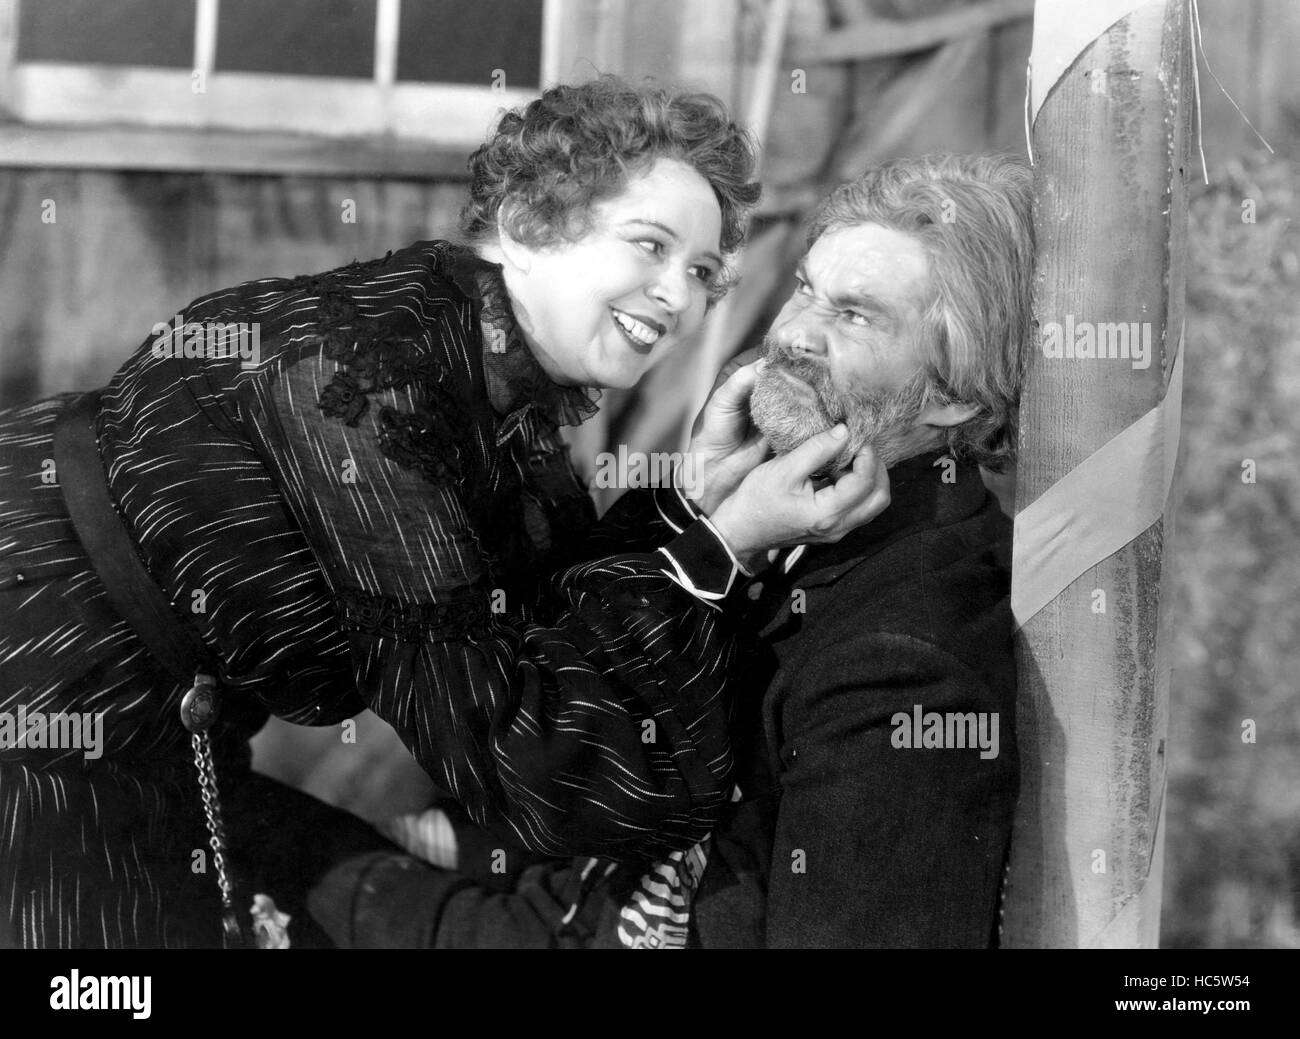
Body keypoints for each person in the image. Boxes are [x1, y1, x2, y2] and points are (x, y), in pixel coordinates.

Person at [0, 76, 890, 949]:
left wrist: (693, 503)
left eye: (700, 272)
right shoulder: (365, 380)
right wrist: (723, 544)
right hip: (39, 656)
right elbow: (520, 759)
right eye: (649, 246)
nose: (679, 296)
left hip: (156, 714)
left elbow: (553, 625)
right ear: (527, 228)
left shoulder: (503, 392)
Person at [305, 153, 1031, 948]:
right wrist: (692, 501)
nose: (791, 335)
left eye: (854, 317)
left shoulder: (907, 660)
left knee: (237, 853)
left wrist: (720, 542)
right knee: (242, 827)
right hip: (562, 887)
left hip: (583, 914)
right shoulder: (800, 507)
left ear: (958, 391)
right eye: (805, 291)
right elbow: (567, 662)